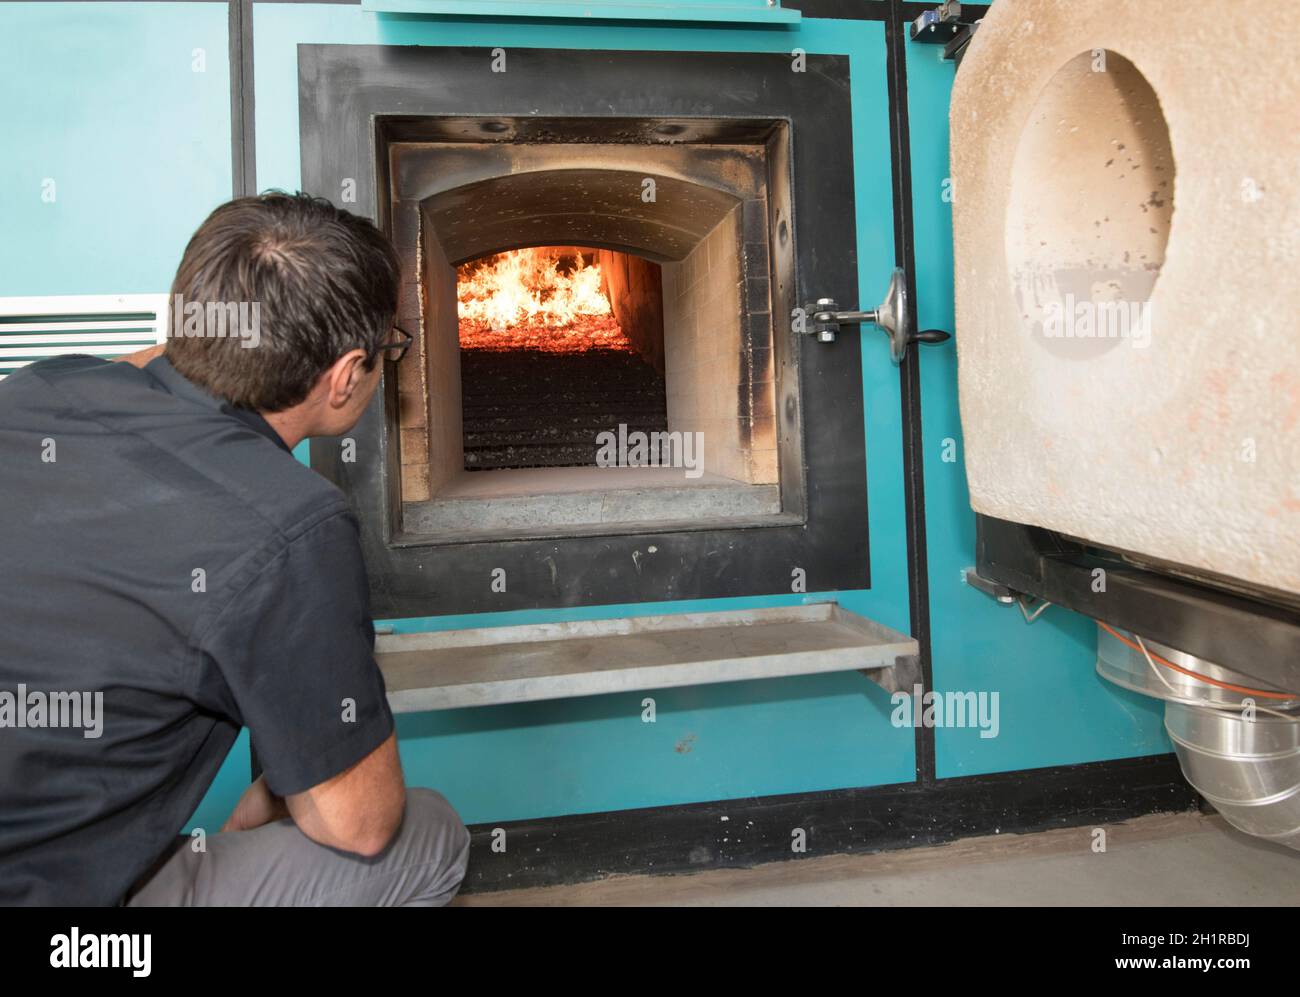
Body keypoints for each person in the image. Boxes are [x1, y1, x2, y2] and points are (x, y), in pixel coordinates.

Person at [0, 192, 469, 906]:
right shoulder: (288, 522)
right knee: (429, 837)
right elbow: (362, 826)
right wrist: (297, 778)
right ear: (345, 375)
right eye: (389, 347)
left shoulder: (34, 391)